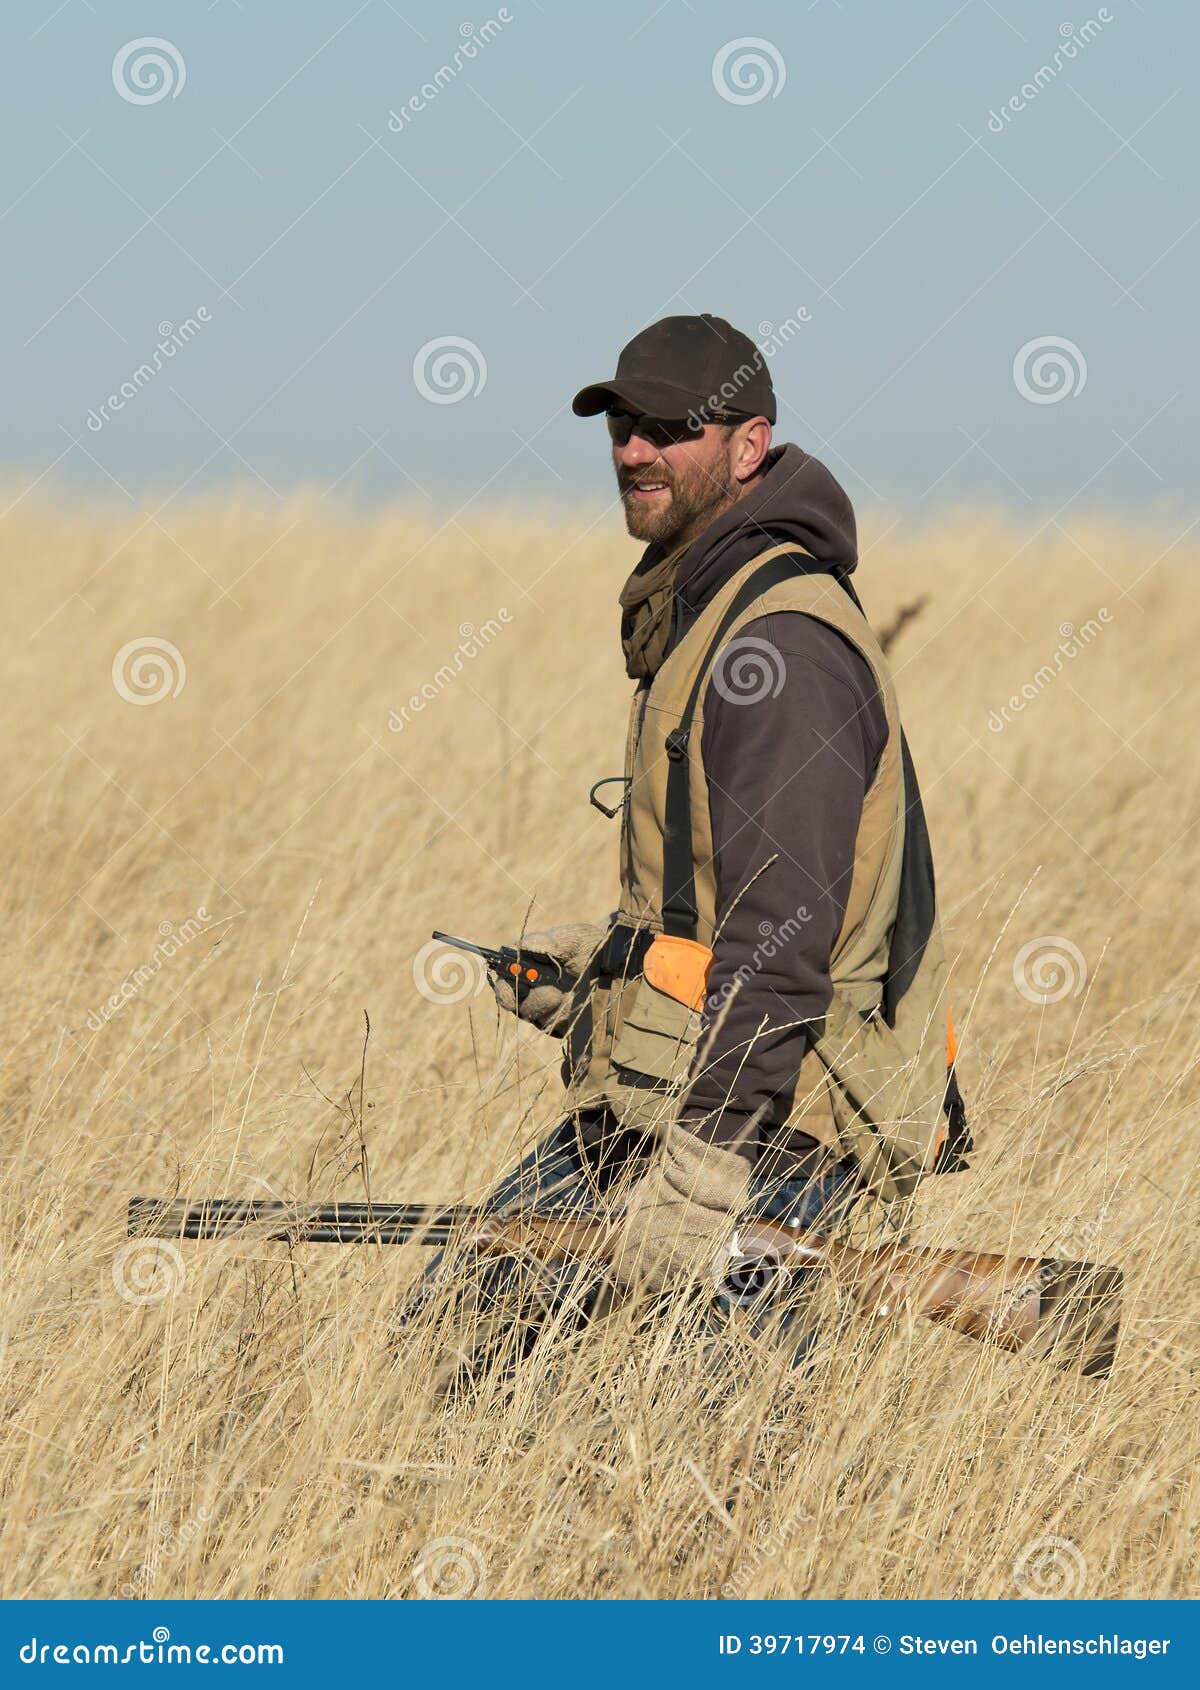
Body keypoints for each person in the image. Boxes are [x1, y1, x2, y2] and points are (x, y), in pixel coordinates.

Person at [406, 313, 968, 1389]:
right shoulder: (710, 609)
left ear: (748, 446)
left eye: (667, 427)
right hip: (675, 1098)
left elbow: (786, 937)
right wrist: (603, 969)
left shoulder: (777, 646)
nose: (631, 450)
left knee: (704, 1472)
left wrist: (706, 1173)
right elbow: (719, 907)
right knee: (454, 1360)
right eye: (621, 422)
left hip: (770, 1130)